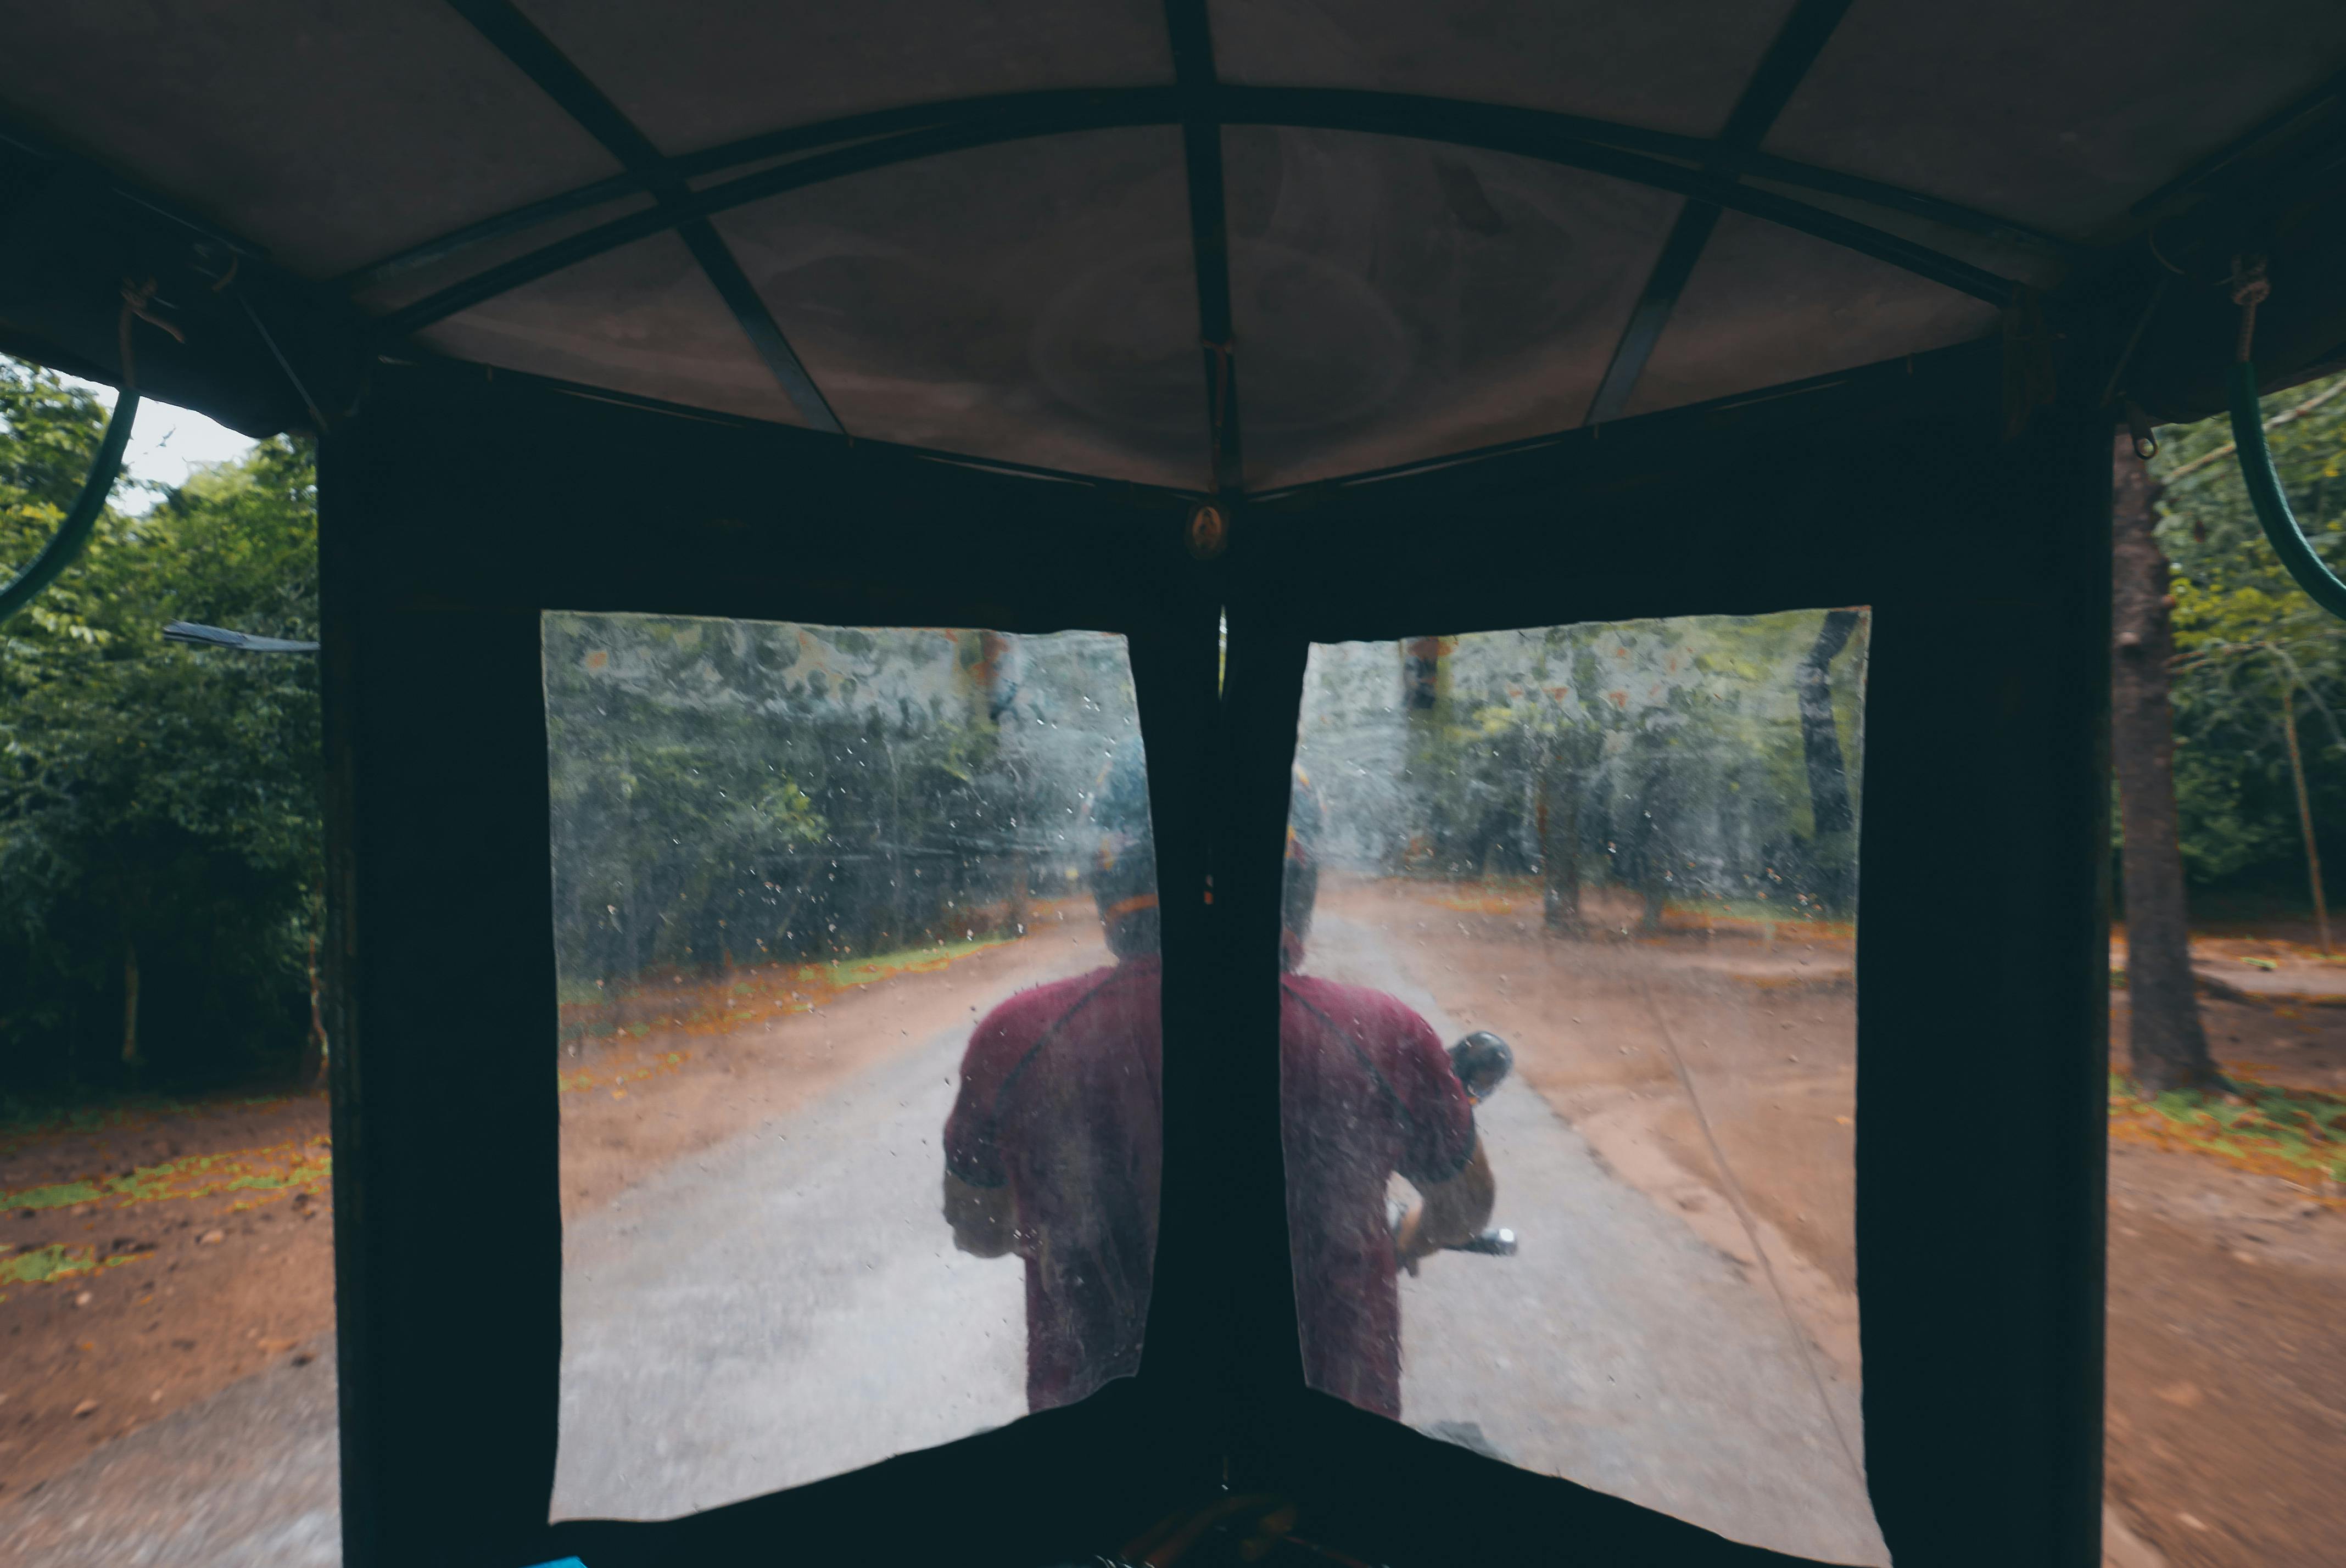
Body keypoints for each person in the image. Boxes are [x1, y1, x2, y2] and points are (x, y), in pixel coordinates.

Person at [941, 758, 1495, 1420]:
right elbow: (1466, 1206)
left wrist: (1054, 1233)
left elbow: (976, 1229)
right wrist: (1408, 1237)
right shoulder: (1381, 1034)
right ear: (1296, 878)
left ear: (1112, 873)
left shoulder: (1018, 1037)